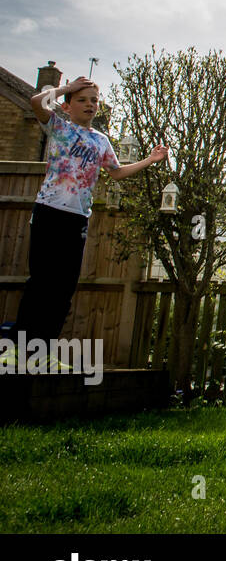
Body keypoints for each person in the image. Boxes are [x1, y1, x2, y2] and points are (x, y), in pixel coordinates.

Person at [0, 76, 167, 369]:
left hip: (77, 219)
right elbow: (35, 101)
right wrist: (66, 88)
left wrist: (150, 161)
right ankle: (16, 347)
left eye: (94, 100)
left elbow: (115, 172)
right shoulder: (58, 126)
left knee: (63, 288)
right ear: (67, 106)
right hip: (49, 212)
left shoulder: (100, 140)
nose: (90, 104)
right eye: (83, 100)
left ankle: (42, 353)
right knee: (41, 282)